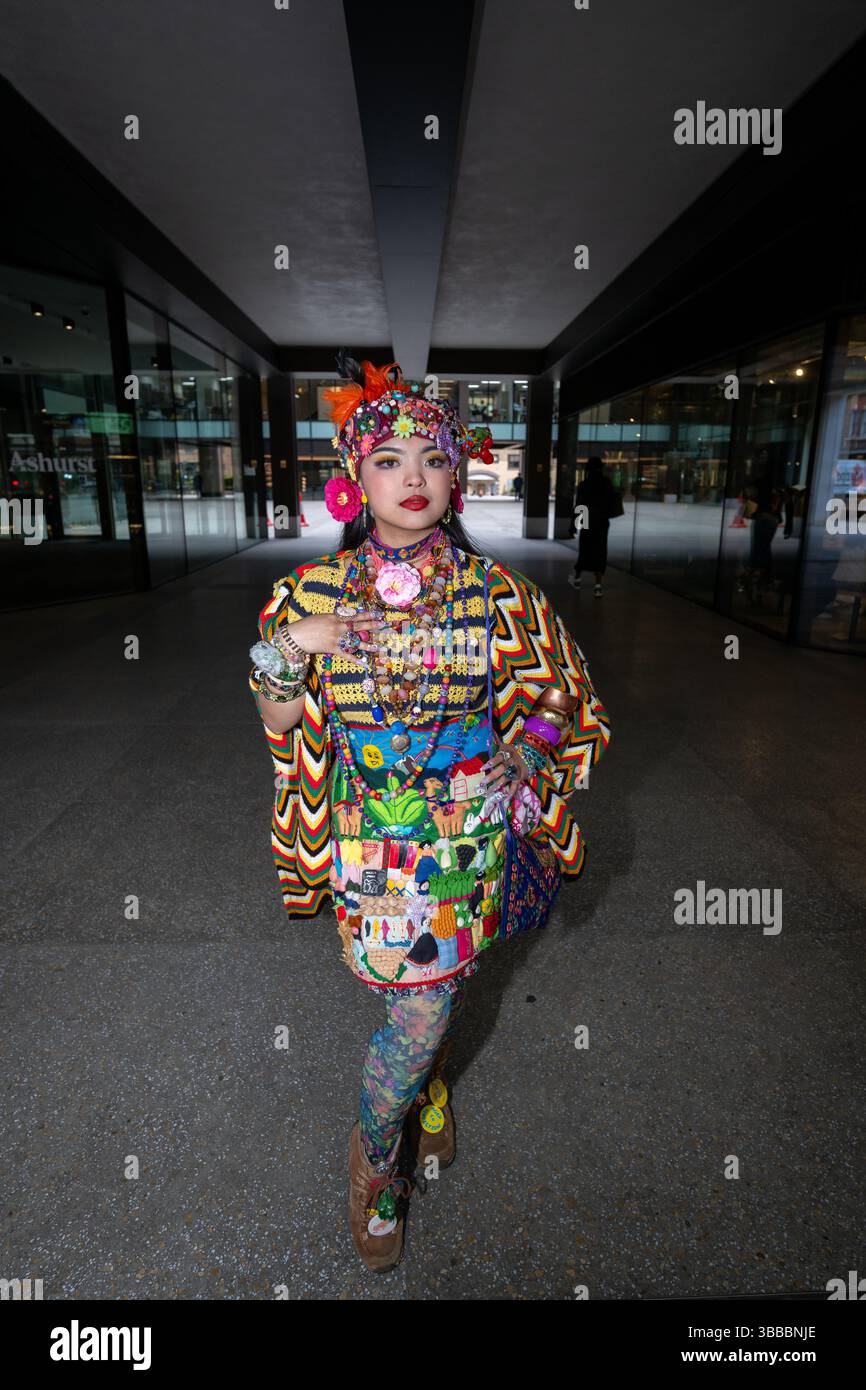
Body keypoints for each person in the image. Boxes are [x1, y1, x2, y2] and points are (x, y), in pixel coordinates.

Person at [248, 354, 612, 1273]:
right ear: (352, 479)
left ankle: (378, 1154)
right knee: (418, 1004)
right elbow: (280, 721)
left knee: (423, 1007)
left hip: (468, 850)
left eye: (433, 459)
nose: (413, 478)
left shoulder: (498, 594)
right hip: (369, 851)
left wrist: (524, 751)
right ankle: (408, 1120)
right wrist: (294, 642)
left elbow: (564, 693)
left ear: (457, 476)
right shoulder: (312, 594)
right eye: (389, 459)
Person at [568, 456, 618, 596]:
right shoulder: (607, 484)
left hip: (587, 520)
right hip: (602, 522)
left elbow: (579, 506)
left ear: (588, 469)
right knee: (600, 552)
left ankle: (577, 579)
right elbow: (612, 502)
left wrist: (573, 527)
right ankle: (598, 586)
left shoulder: (584, 485)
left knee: (585, 550)